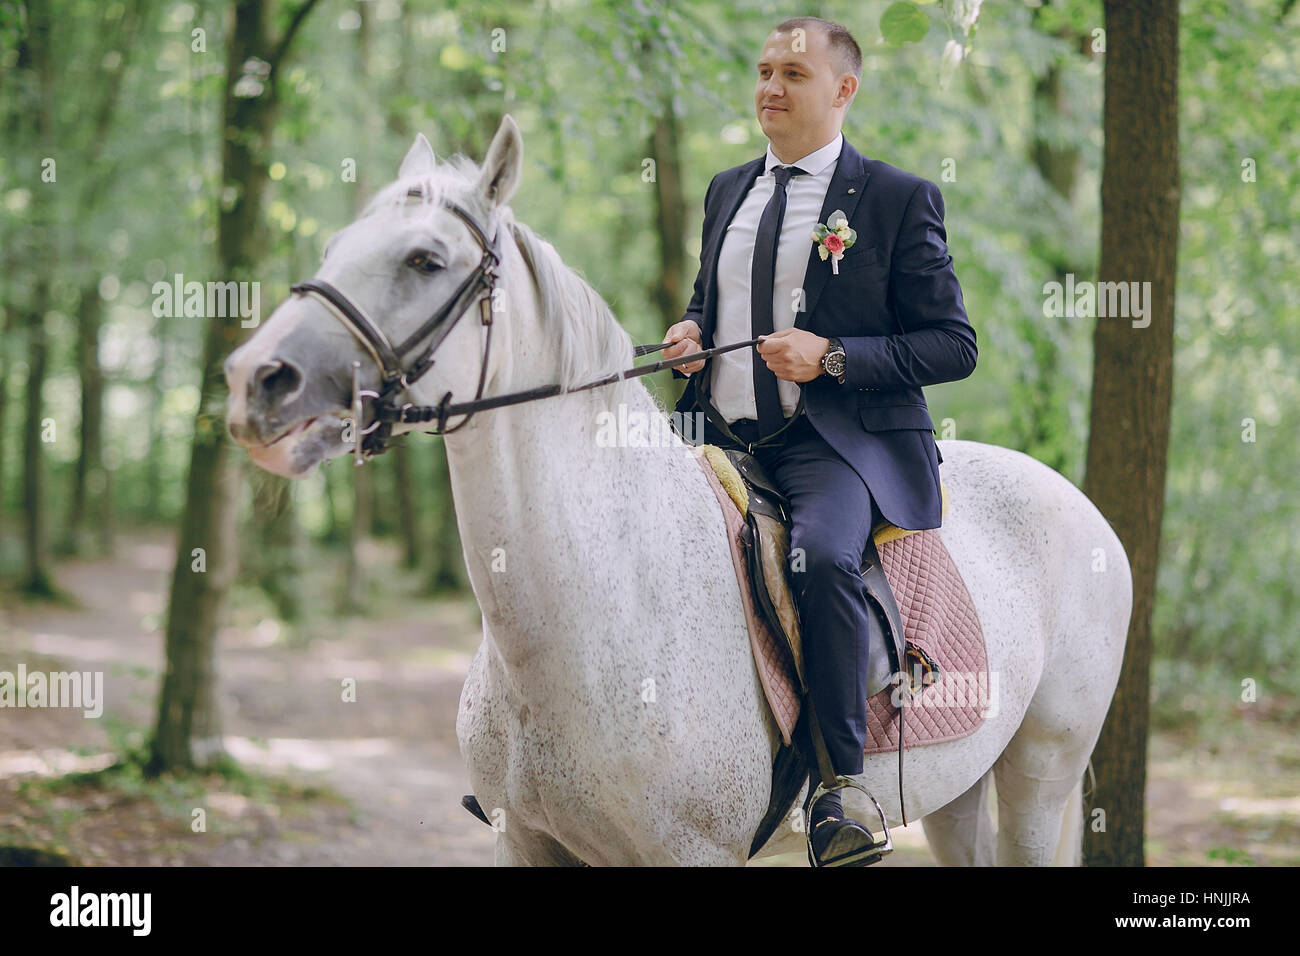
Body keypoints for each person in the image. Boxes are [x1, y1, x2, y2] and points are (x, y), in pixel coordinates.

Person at [662, 16, 977, 866]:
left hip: (827, 445)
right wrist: (692, 329)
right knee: (590, 509)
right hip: (712, 428)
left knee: (824, 560)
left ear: (844, 90)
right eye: (763, 70)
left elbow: (954, 345)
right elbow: (709, 298)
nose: (769, 86)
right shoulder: (727, 188)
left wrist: (831, 356)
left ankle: (842, 789)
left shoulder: (897, 198)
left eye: (793, 73)